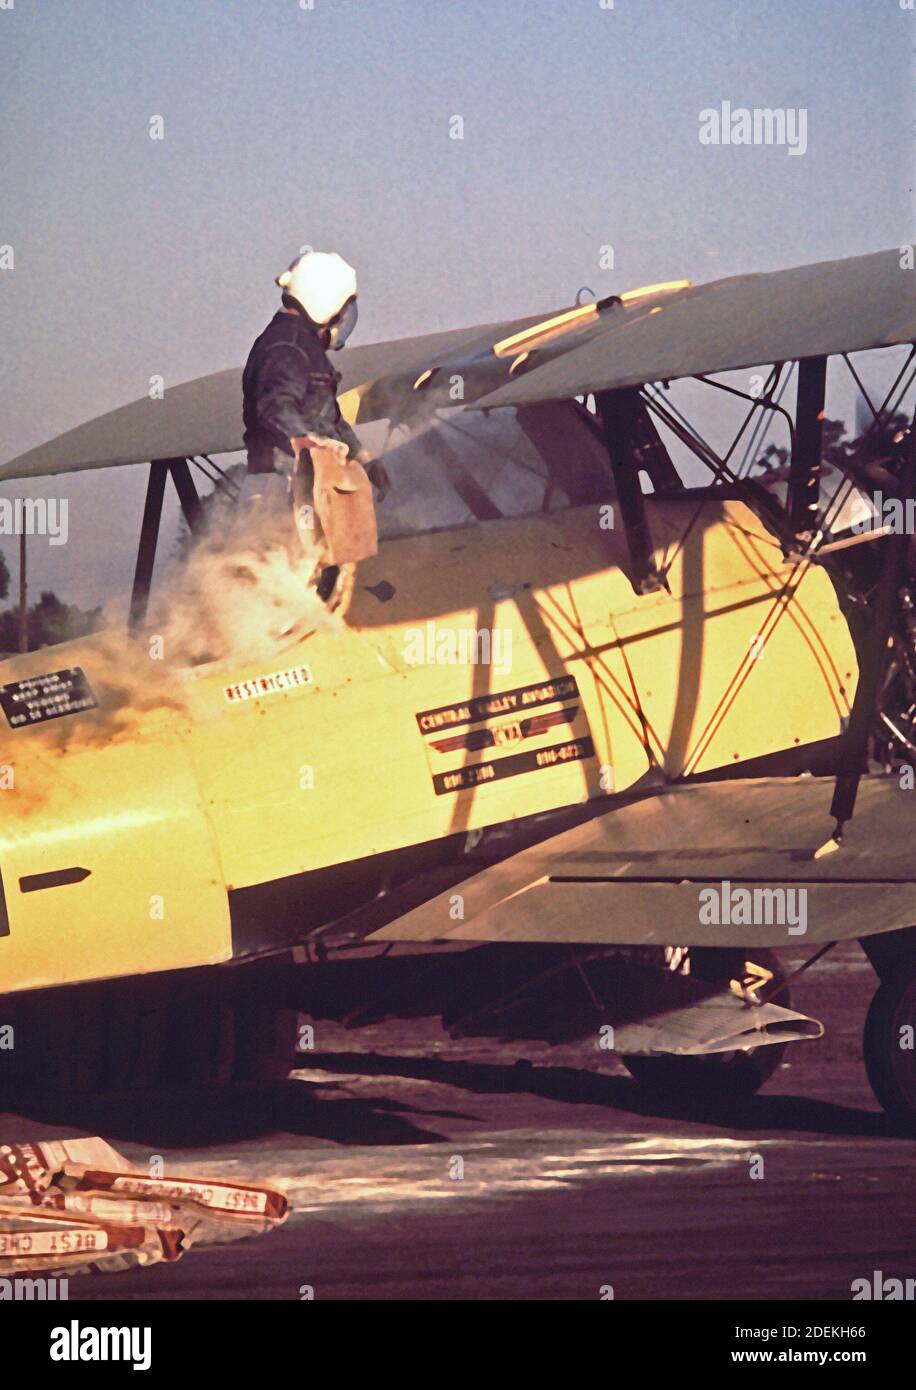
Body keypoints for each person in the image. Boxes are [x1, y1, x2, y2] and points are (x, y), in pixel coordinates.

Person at [241, 250, 387, 591]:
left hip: (305, 487)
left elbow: (327, 416)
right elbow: (275, 406)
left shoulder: (301, 345)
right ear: (327, 299)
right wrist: (305, 441)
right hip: (282, 489)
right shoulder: (288, 346)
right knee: (290, 591)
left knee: (317, 582)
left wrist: (362, 458)